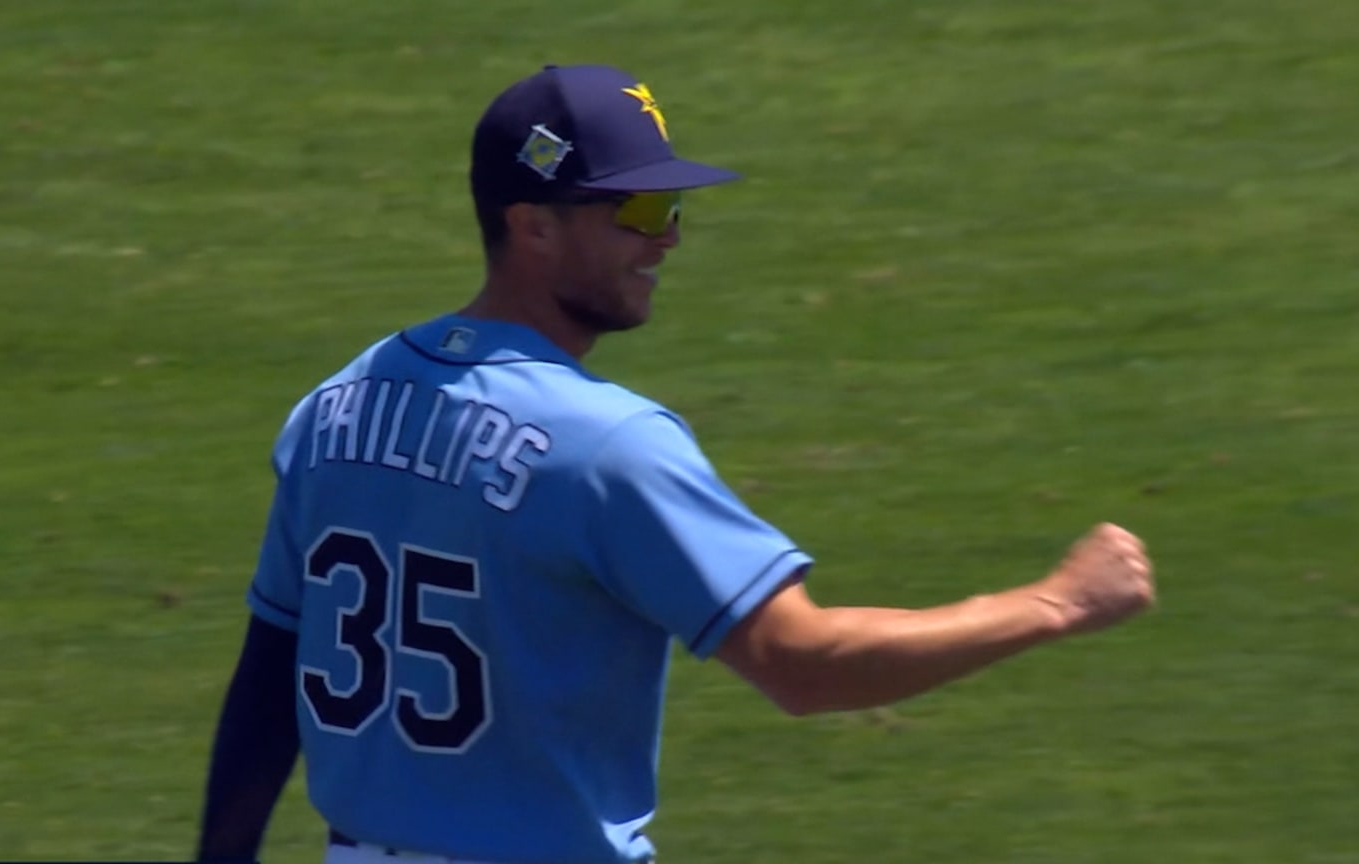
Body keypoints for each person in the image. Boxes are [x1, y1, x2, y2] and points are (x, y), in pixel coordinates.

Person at [194, 63, 1156, 864]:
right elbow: (802, 665)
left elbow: (268, 673)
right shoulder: (606, 446)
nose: (668, 237)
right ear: (532, 225)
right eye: (639, 208)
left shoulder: (338, 405)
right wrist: (1057, 602)